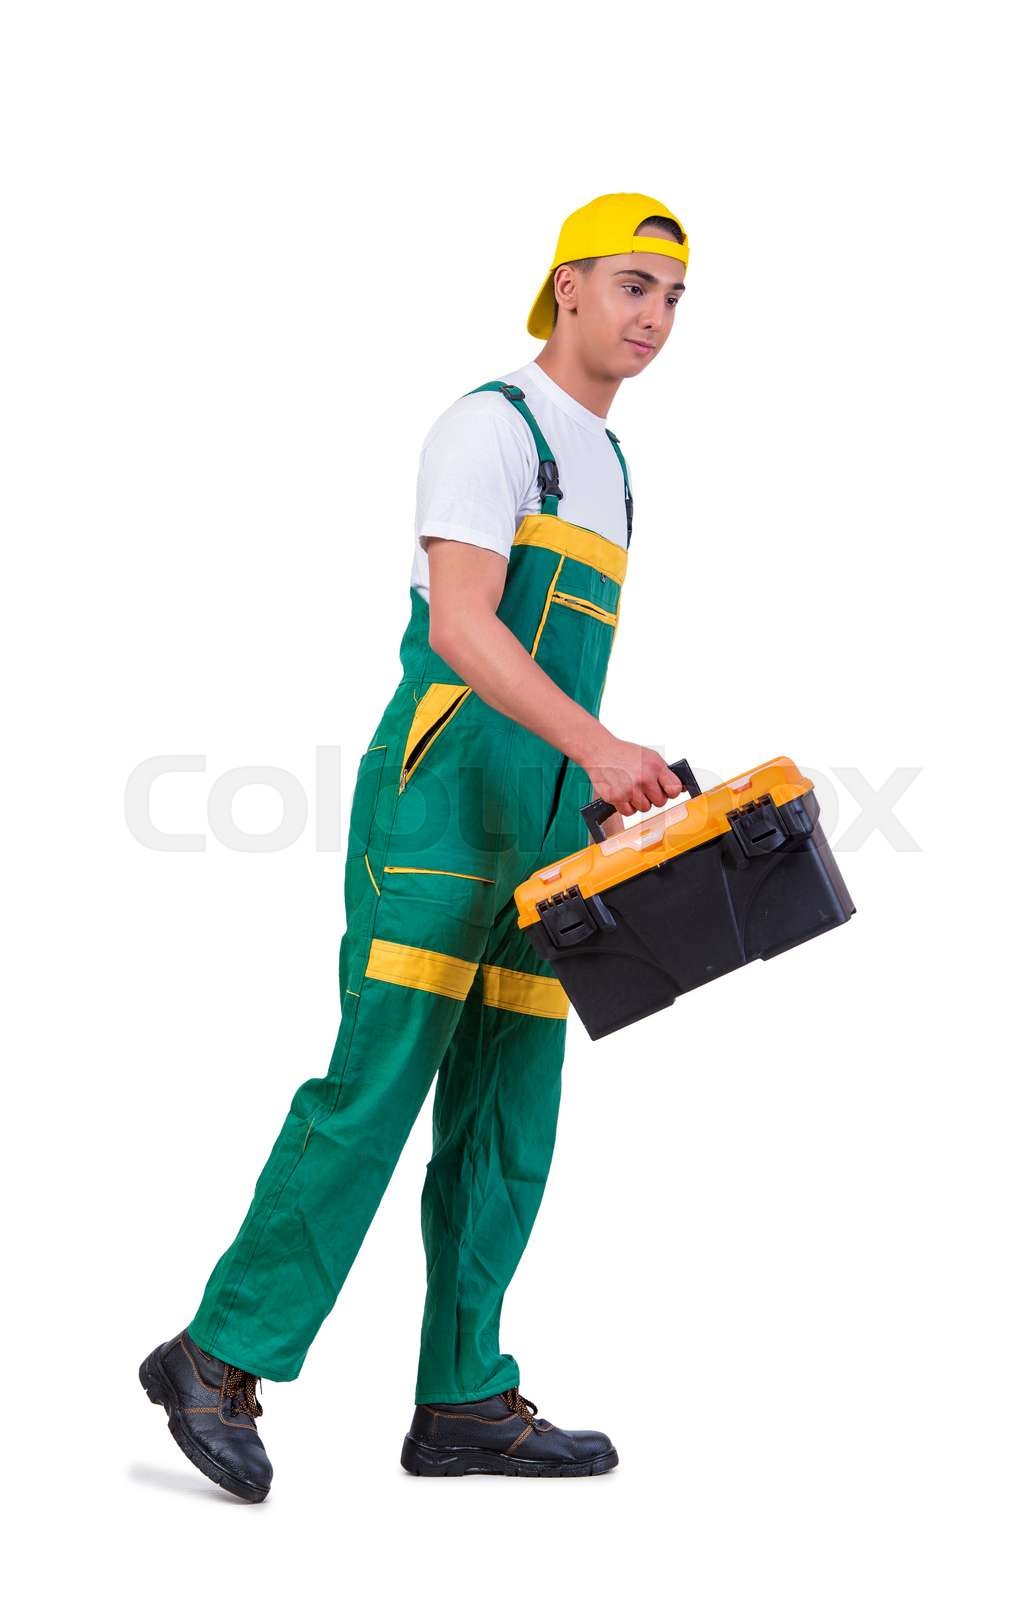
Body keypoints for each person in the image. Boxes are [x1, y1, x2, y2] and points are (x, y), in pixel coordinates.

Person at [139, 191, 690, 1498]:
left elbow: (548, 668)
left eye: (673, 298)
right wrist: (601, 743)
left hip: (549, 826)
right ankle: (218, 1356)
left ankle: (465, 1399)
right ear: (566, 287)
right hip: (442, 816)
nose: (654, 318)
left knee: (511, 1113)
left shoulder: (609, 466)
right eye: (631, 286)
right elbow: (462, 627)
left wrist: (603, 776)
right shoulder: (488, 430)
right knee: (376, 1090)